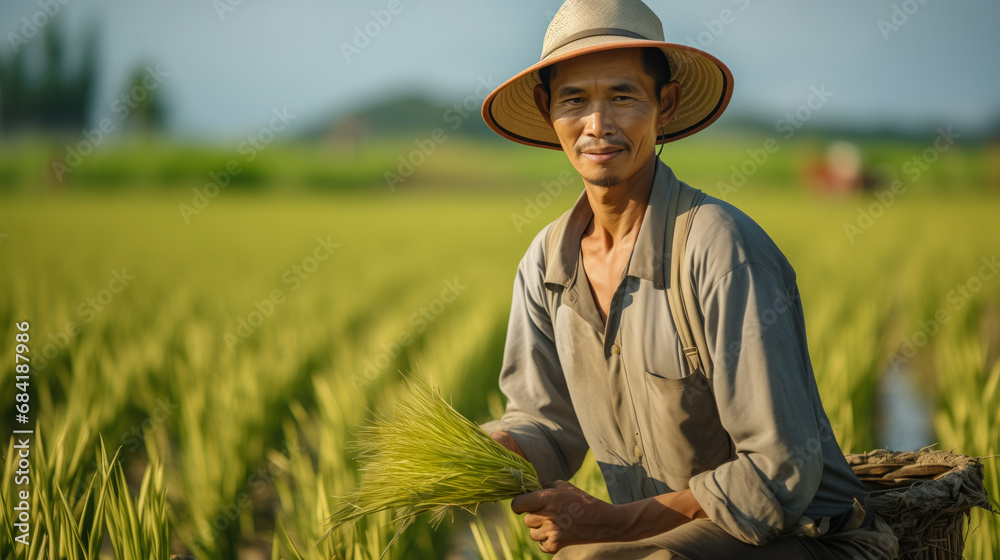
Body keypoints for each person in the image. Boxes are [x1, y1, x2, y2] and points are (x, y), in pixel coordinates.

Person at [477, 1, 900, 558]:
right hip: (665, 535)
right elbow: (544, 422)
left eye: (623, 97)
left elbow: (778, 468)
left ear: (666, 105)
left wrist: (615, 524)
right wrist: (494, 447)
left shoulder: (718, 248)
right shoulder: (546, 264)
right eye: (574, 100)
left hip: (806, 536)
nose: (597, 125)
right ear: (547, 108)